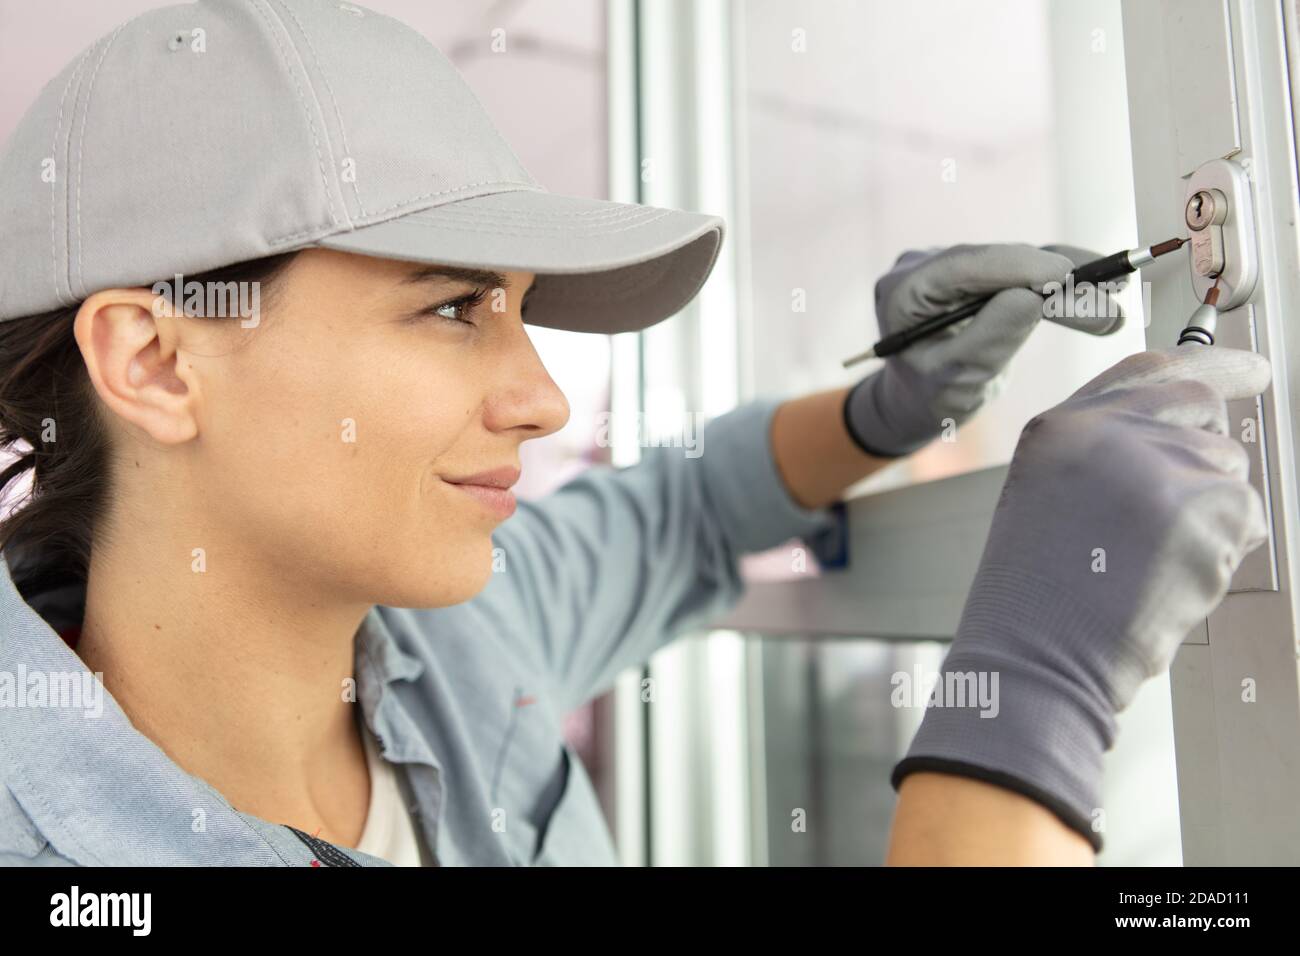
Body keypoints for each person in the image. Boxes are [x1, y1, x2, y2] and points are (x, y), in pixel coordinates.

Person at [0, 0, 1269, 867]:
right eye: (450, 307)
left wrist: (889, 407)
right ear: (158, 360)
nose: (544, 400)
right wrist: (1032, 698)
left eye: (521, 310)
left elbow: (692, 507)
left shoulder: (452, 640)